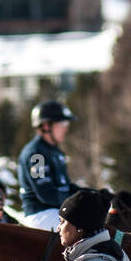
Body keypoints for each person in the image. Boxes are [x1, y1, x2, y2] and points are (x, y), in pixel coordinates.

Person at [17, 99, 76, 230]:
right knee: (87, 229)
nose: (66, 128)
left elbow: (66, 188)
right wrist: (78, 202)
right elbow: (46, 194)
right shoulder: (36, 154)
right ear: (46, 126)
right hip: (41, 214)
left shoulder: (55, 152)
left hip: (56, 211)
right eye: (62, 123)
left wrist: (96, 195)